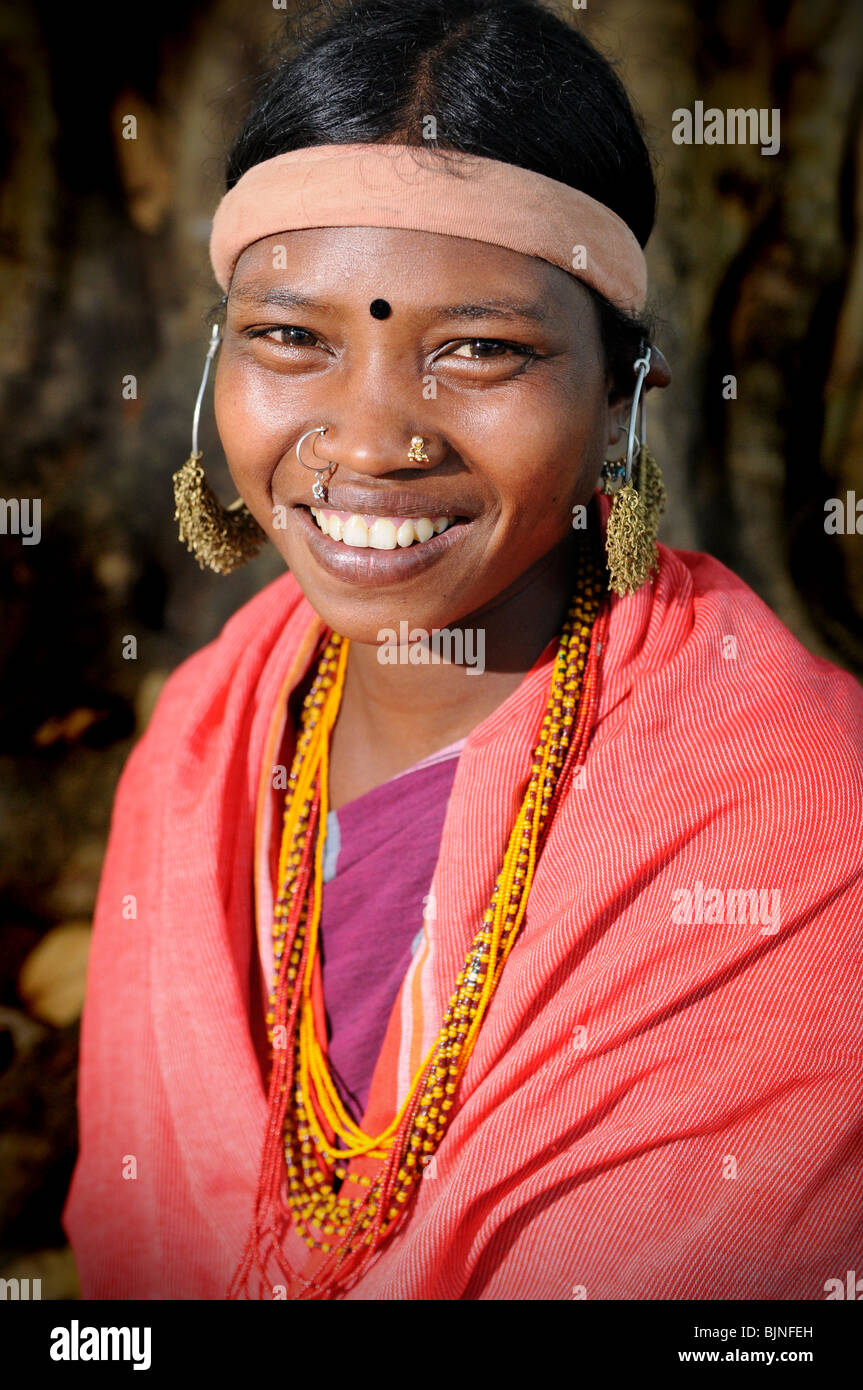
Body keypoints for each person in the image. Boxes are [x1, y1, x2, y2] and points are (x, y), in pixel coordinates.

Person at [63, 0, 863, 1300]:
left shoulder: (802, 831)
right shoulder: (207, 738)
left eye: (479, 350)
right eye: (292, 338)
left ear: (620, 395)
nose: (371, 438)